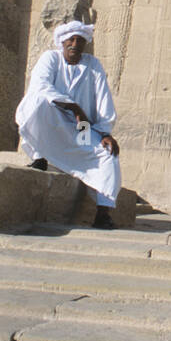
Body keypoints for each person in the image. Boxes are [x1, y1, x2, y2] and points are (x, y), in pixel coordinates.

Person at [15, 19, 122, 229]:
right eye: (71, 40)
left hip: (81, 127)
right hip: (53, 119)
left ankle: (103, 214)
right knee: (36, 101)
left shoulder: (93, 65)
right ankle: (39, 156)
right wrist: (75, 108)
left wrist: (104, 132)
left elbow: (103, 100)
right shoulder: (50, 59)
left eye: (80, 40)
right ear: (62, 42)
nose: (75, 44)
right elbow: (41, 85)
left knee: (108, 154)